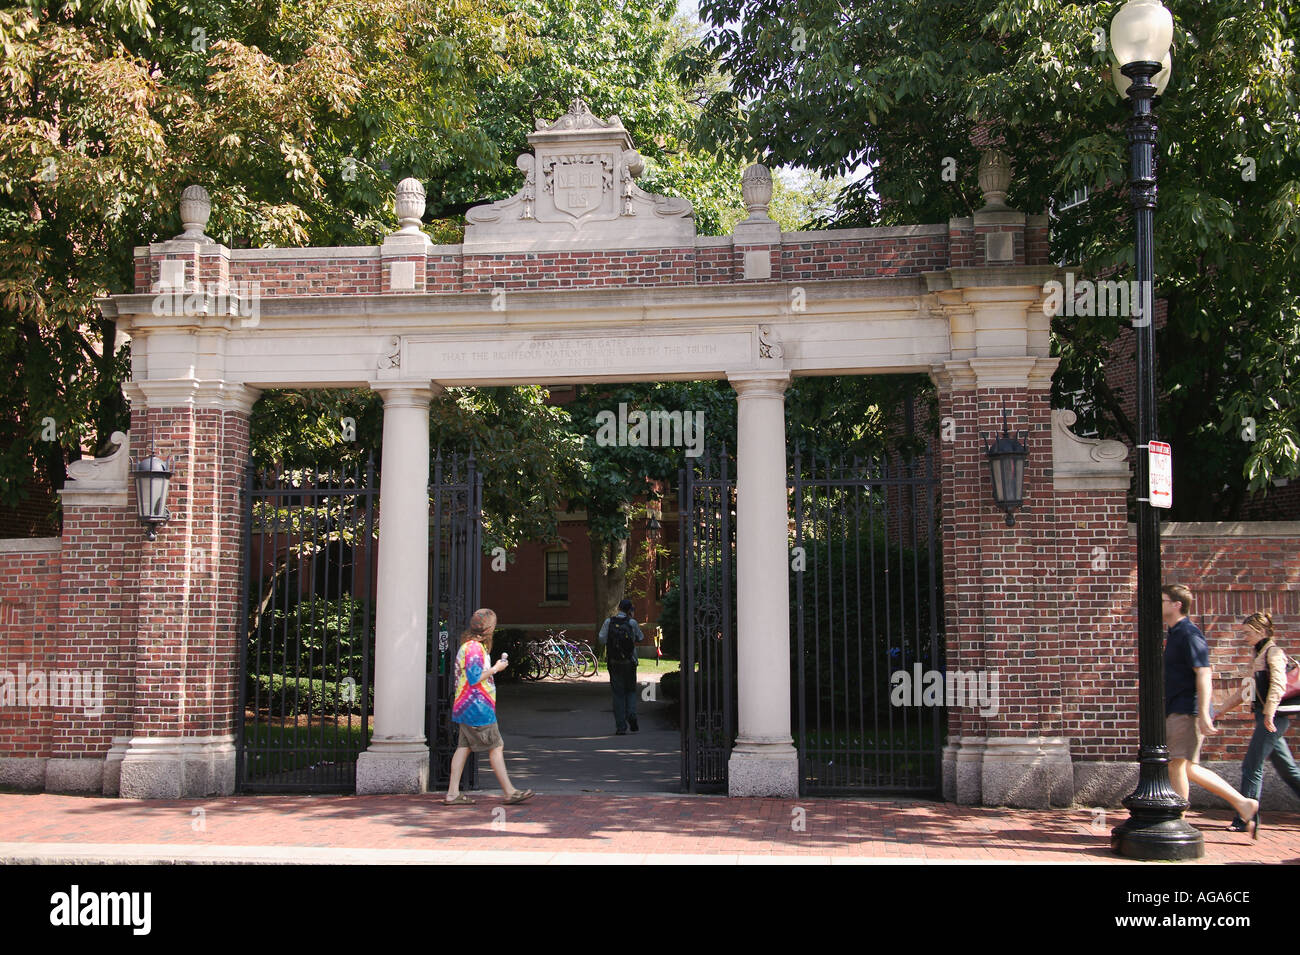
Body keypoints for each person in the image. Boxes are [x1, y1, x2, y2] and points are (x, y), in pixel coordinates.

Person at [1161, 584, 1259, 835]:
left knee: (1176, 764)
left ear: (1176, 604)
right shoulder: (1174, 633)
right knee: (1186, 766)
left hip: (1187, 709)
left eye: (1162, 601)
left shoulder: (1189, 633)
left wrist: (1204, 712)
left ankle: (1179, 820)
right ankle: (1242, 803)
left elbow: (1204, 673)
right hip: (1178, 707)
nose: (1158, 606)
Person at [1215, 611, 1300, 833]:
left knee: (1252, 766)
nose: (1244, 637)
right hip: (1267, 717)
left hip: (1272, 719)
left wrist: (1270, 714)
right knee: (1288, 770)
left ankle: (1245, 818)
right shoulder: (1258, 654)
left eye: (1247, 633)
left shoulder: (1273, 653)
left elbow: (1278, 686)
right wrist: (1221, 710)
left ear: (1261, 631)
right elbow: (1247, 689)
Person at [443, 608, 534, 806]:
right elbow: (475, 678)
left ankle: (452, 793)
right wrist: (496, 668)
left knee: (463, 747)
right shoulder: (475, 649)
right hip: (477, 707)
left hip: (464, 706)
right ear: (489, 629)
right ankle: (509, 792)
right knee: (496, 746)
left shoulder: (467, 646)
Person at [599, 598, 646, 735]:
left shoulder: (609, 622)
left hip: (614, 662)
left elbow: (601, 639)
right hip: (630, 662)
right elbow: (640, 638)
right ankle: (631, 714)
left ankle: (620, 727)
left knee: (618, 694)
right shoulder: (632, 622)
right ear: (630, 610)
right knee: (630, 690)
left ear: (619, 608)